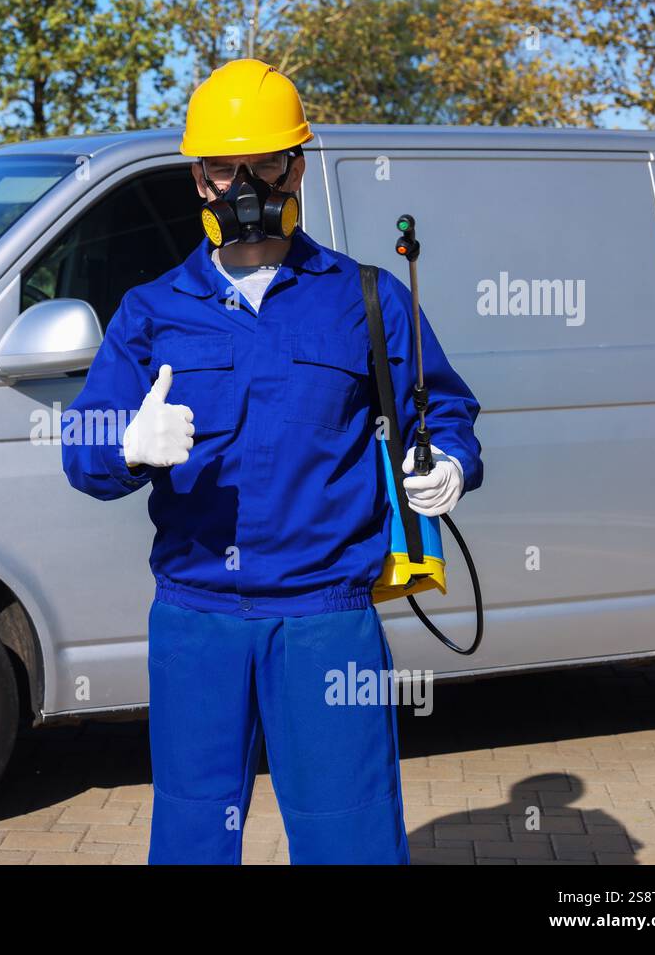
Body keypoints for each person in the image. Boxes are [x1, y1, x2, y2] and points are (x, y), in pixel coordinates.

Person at [60, 58, 483, 864]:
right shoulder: (151, 310)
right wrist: (125, 445)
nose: (244, 185)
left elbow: (444, 409)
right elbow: (82, 451)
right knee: (191, 839)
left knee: (350, 837)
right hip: (196, 619)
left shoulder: (367, 298)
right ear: (198, 178)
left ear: (298, 166)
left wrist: (451, 463)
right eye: (224, 167)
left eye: (263, 163)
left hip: (326, 617)